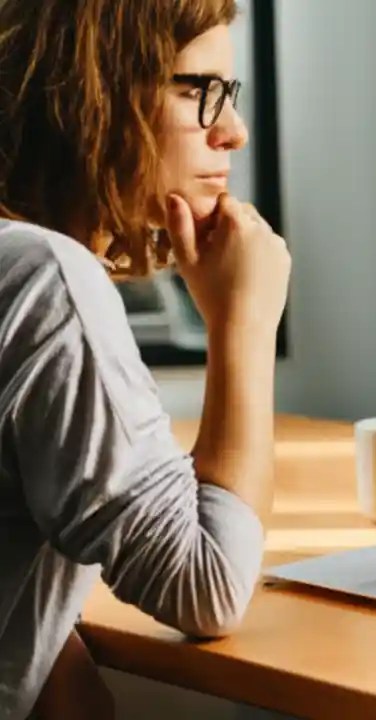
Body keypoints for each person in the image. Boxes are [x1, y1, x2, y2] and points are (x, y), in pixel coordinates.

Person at [0, 1, 291, 717]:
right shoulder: (46, 279)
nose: (233, 132)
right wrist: (242, 322)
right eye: (197, 90)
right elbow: (209, 588)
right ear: (92, 89)